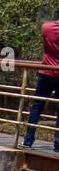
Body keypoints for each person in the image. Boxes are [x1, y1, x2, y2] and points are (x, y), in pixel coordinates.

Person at [23, 11, 59, 150]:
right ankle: (57, 143)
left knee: (37, 106)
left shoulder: (46, 27)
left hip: (45, 72)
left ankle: (28, 140)